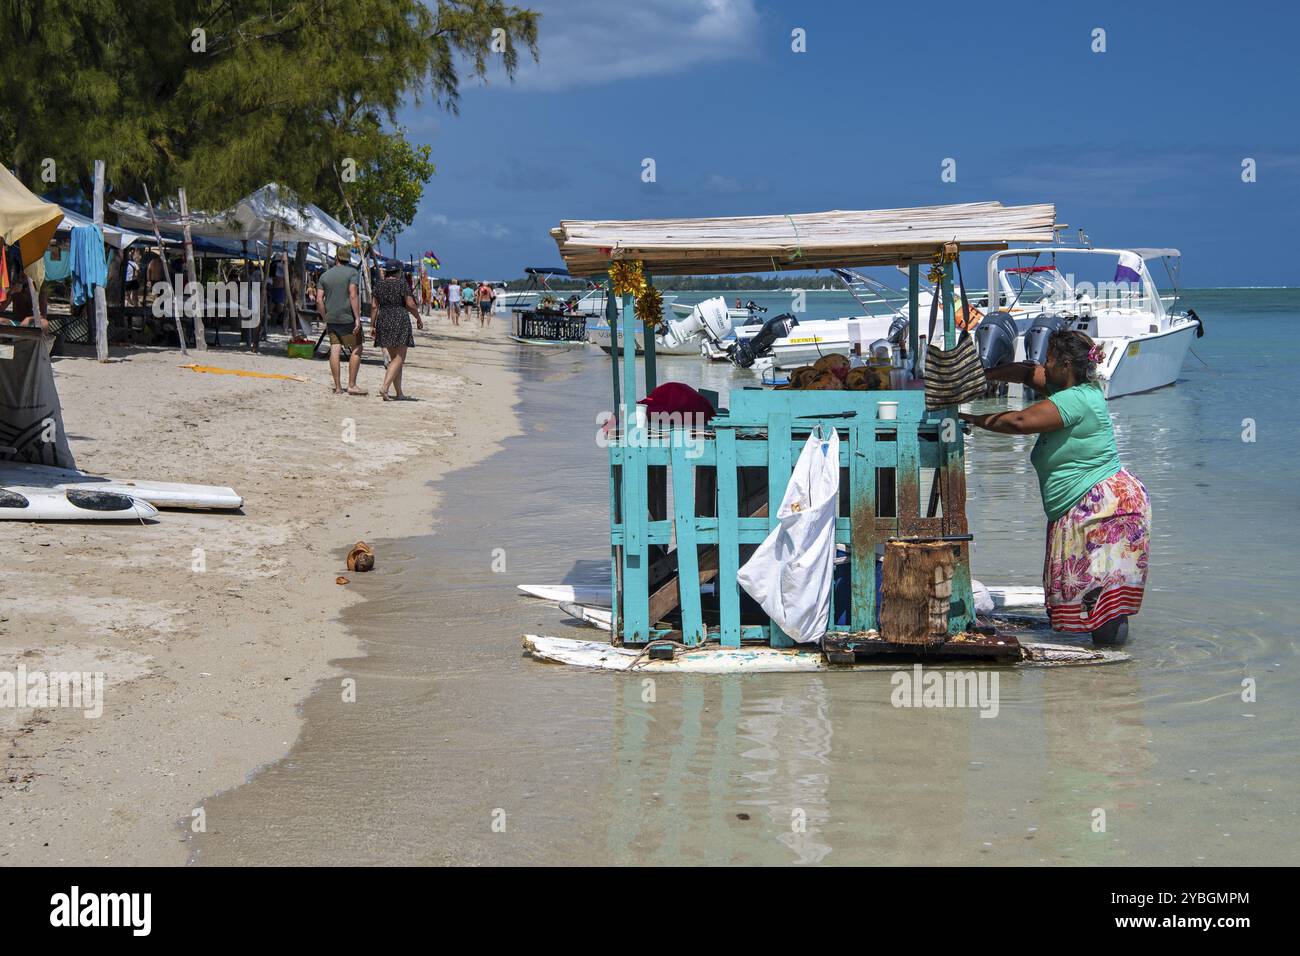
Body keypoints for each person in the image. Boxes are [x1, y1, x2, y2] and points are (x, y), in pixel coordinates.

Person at [960, 329, 1150, 646]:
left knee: (1102, 600)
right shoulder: (1074, 387)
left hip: (1103, 509)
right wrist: (984, 374)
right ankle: (1111, 670)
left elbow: (1019, 422)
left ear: (1064, 364)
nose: (1043, 366)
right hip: (1095, 503)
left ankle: (1112, 669)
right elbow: (1024, 372)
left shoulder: (1075, 399)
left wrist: (968, 418)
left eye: (1048, 359)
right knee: (1096, 594)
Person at [318, 247, 367, 395]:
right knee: (357, 347)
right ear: (348, 259)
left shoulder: (325, 275)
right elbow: (353, 295)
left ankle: (338, 387)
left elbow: (319, 299)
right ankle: (351, 384)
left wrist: (324, 316)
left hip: (331, 318)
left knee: (335, 348)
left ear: (336, 258)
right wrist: (357, 317)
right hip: (347, 317)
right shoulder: (352, 272)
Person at [372, 263, 424, 401]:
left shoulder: (379, 284)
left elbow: (374, 306)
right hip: (399, 318)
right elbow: (411, 304)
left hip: (383, 319)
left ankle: (399, 393)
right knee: (399, 358)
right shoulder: (402, 284)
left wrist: (372, 325)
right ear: (398, 272)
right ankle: (385, 387)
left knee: (395, 359)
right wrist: (418, 318)